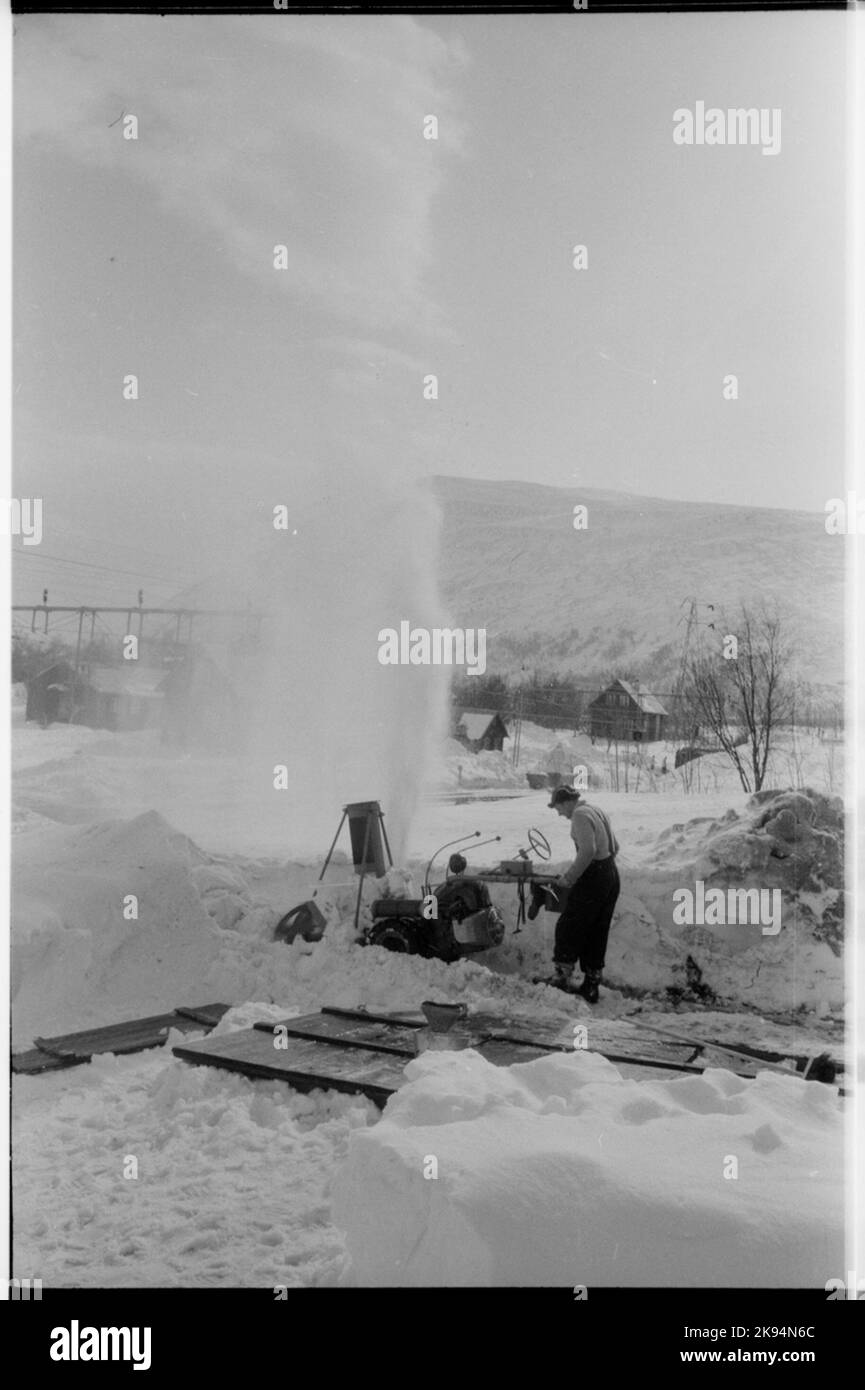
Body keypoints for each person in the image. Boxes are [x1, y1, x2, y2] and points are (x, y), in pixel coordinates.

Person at [546, 786, 620, 1003]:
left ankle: (562, 976)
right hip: (610, 874)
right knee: (597, 930)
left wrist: (570, 878)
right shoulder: (596, 810)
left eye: (558, 807)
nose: (559, 813)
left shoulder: (579, 815)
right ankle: (591, 984)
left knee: (569, 925)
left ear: (566, 802)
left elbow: (588, 850)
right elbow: (615, 846)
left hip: (595, 877)